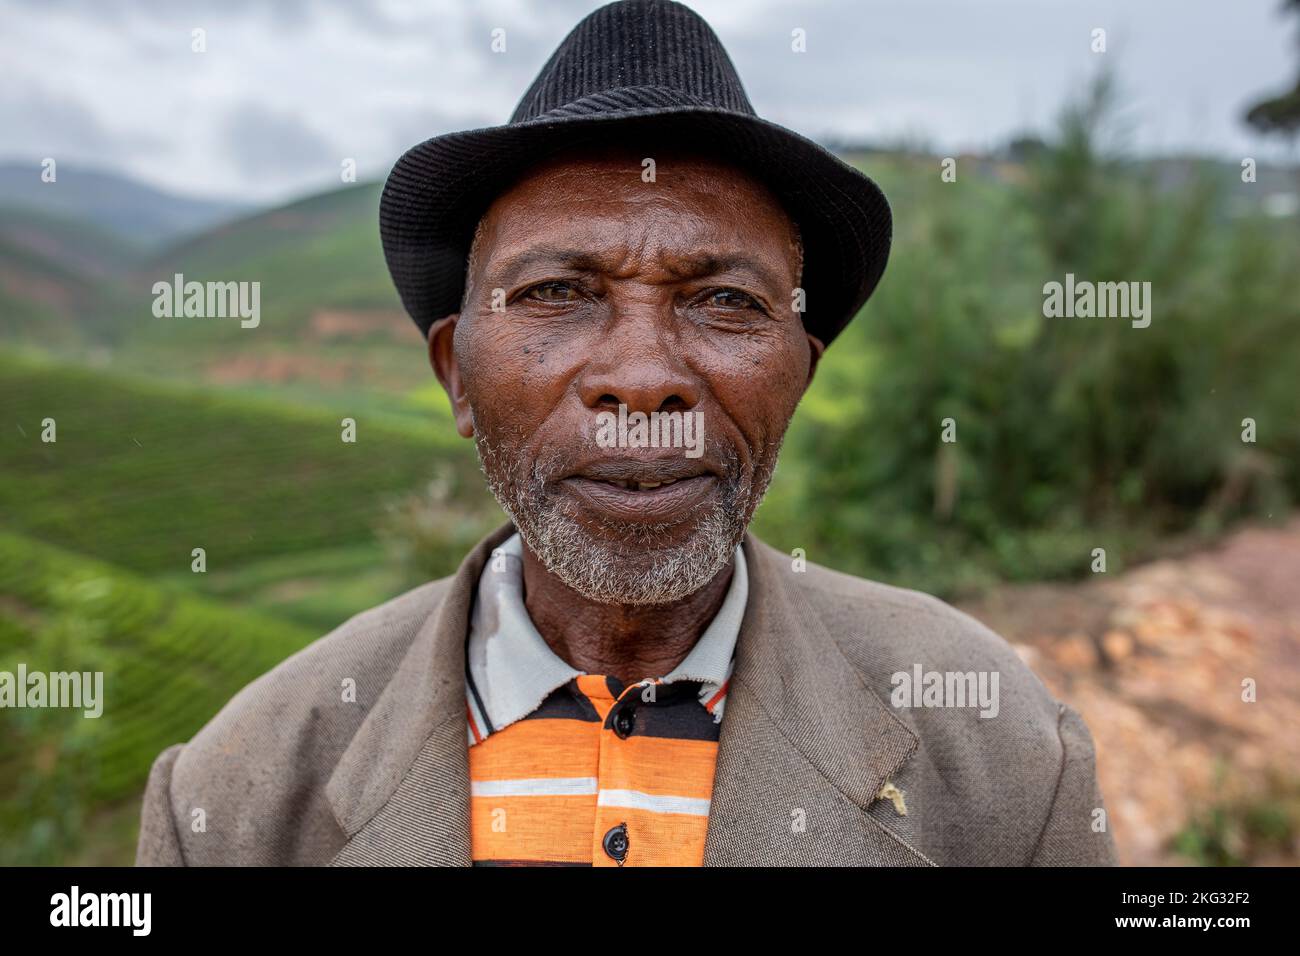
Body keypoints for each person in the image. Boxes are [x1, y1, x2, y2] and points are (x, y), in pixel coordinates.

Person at [137, 0, 1116, 867]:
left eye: (724, 301)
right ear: (457, 376)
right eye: (557, 292)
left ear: (800, 375)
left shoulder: (1000, 755)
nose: (642, 378)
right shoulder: (234, 798)